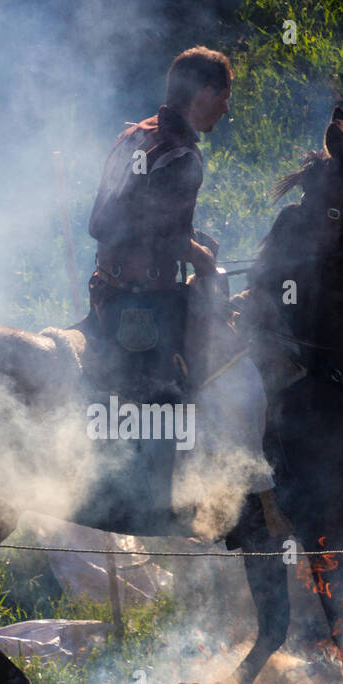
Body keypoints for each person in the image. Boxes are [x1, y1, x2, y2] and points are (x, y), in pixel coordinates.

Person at [79, 46, 289, 538]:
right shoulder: (182, 153)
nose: (227, 108)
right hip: (142, 306)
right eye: (225, 96)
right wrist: (200, 258)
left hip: (107, 290)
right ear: (205, 93)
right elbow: (159, 232)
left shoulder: (136, 133)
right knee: (211, 381)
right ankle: (161, 498)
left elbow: (112, 220)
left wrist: (192, 241)